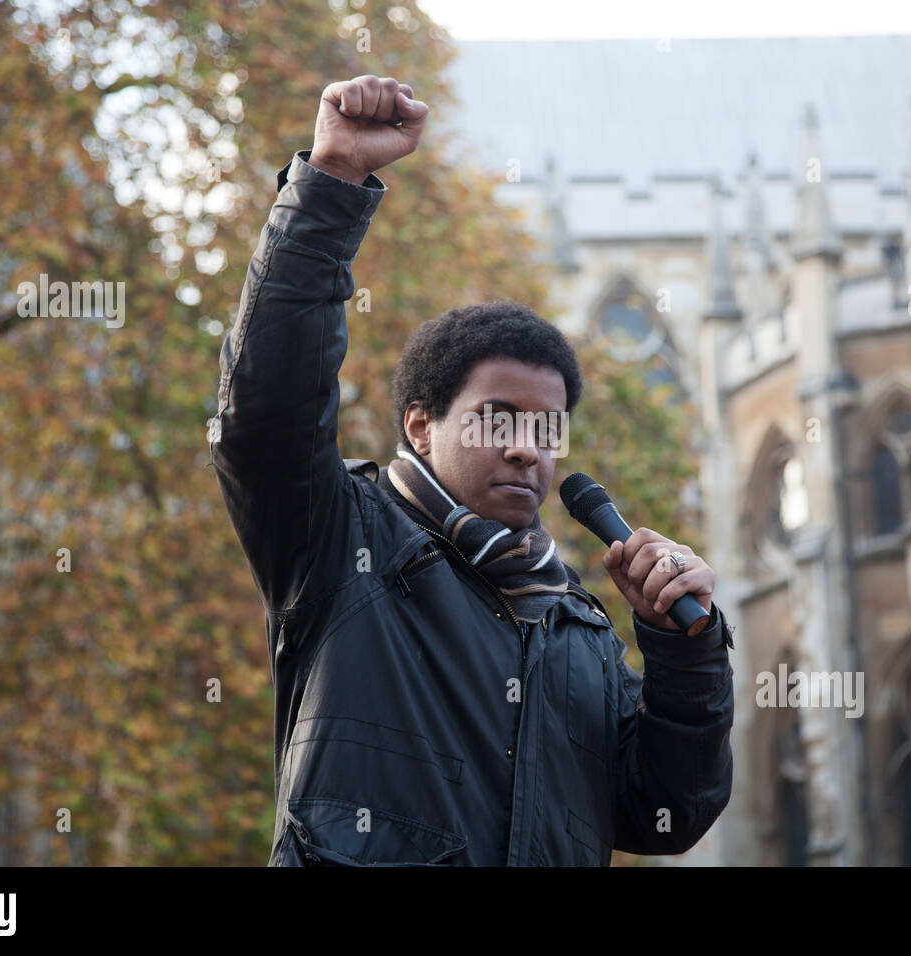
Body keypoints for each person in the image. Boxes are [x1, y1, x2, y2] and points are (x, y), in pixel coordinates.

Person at [210, 75, 735, 866]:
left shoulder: (580, 632)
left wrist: (684, 652)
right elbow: (266, 410)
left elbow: (665, 813)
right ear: (420, 426)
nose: (530, 448)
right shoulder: (342, 542)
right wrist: (330, 185)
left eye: (548, 426)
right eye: (499, 418)